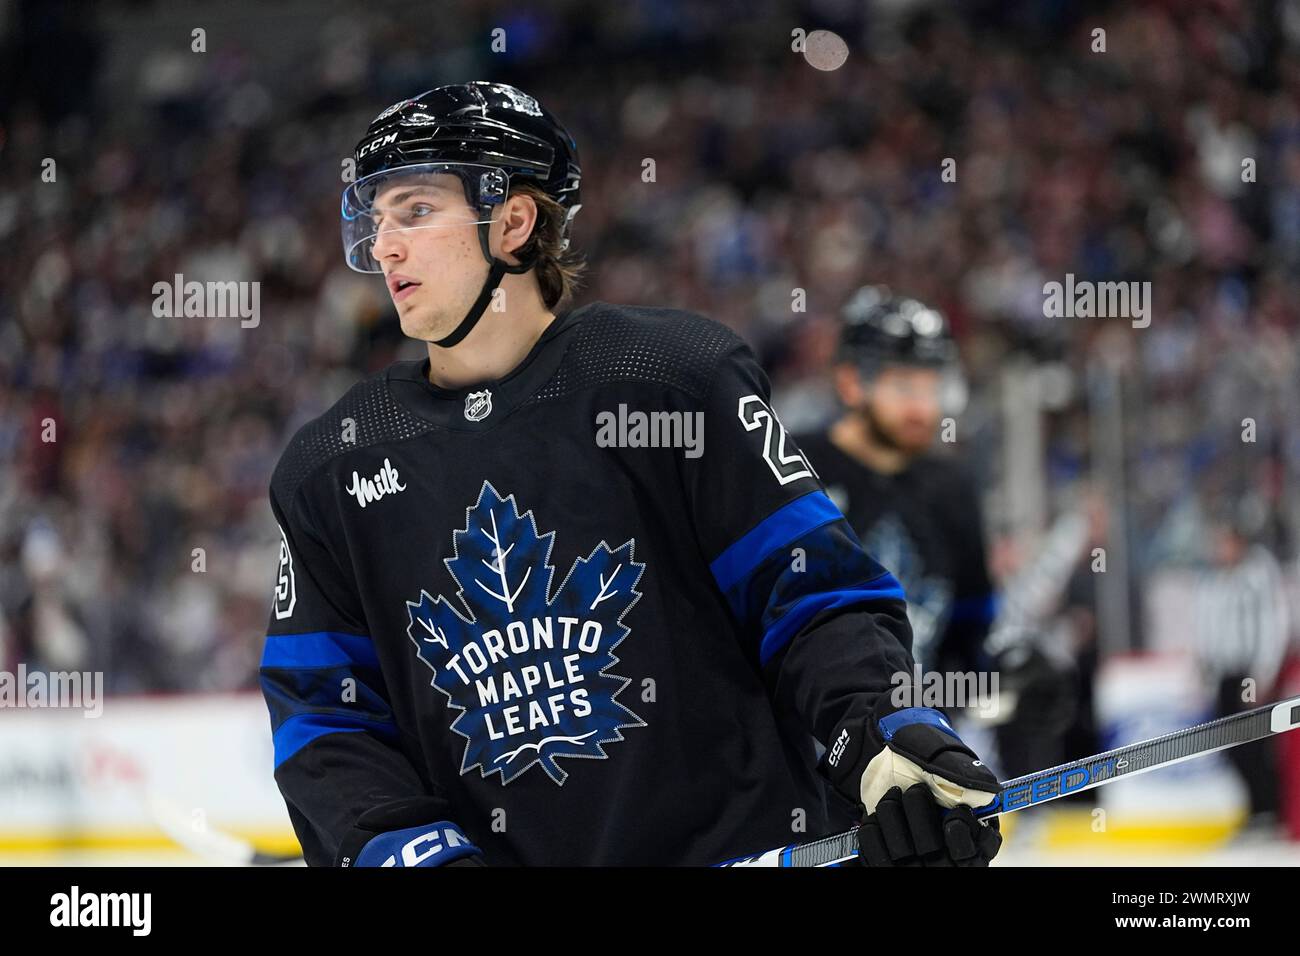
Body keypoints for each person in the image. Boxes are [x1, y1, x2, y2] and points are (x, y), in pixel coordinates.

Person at [258, 82, 1001, 867]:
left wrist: (880, 730)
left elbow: (811, 595)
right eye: (375, 219)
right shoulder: (332, 468)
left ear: (513, 222)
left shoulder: (674, 380)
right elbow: (325, 722)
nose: (384, 247)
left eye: (414, 211)